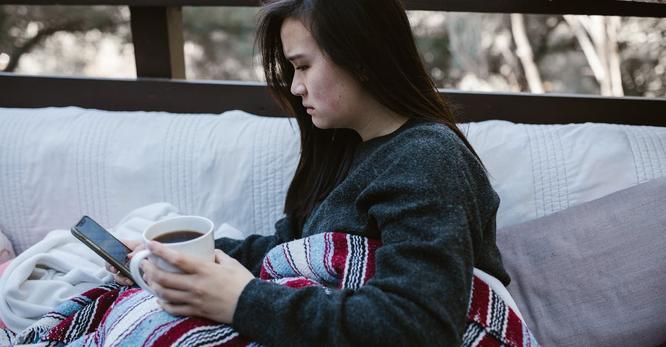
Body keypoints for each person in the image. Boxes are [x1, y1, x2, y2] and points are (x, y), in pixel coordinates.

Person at [107, 0, 511, 345]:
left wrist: (241, 300)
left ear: (362, 59)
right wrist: (177, 259)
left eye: (303, 66)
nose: (296, 88)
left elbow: (419, 323)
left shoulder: (428, 158)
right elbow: (290, 246)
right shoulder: (347, 147)